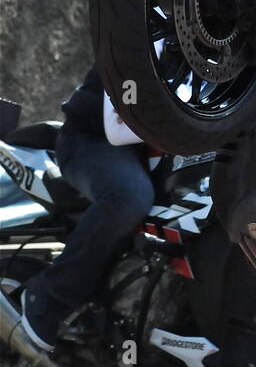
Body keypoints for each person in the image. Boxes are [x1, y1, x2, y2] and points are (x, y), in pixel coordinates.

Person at [16, 65, 156, 352]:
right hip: (92, 140)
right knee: (129, 196)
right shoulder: (155, 26)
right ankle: (49, 296)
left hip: (153, 152)